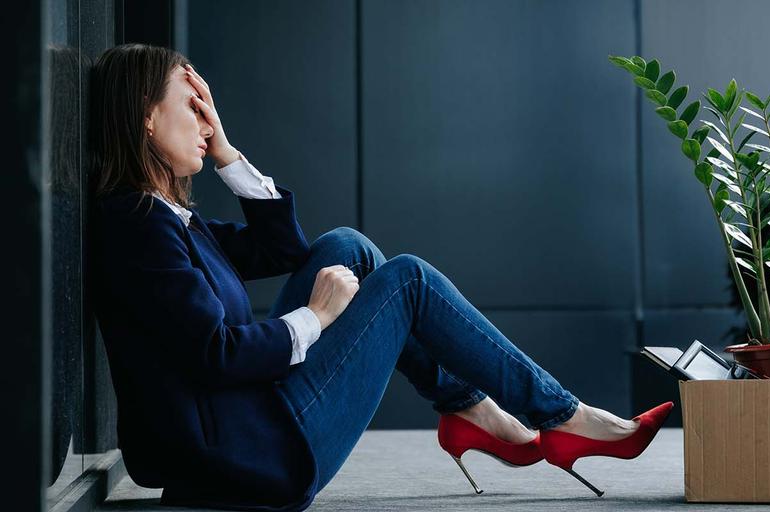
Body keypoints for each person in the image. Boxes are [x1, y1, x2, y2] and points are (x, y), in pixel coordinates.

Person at [88, 43, 672, 512]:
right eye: (192, 107)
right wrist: (313, 318)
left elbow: (285, 248)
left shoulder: (167, 220)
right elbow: (215, 353)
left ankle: (466, 405)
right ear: (145, 115)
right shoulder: (140, 226)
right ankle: (564, 417)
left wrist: (228, 153)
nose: (205, 121)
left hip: (250, 426)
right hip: (255, 459)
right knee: (408, 281)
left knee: (348, 246)